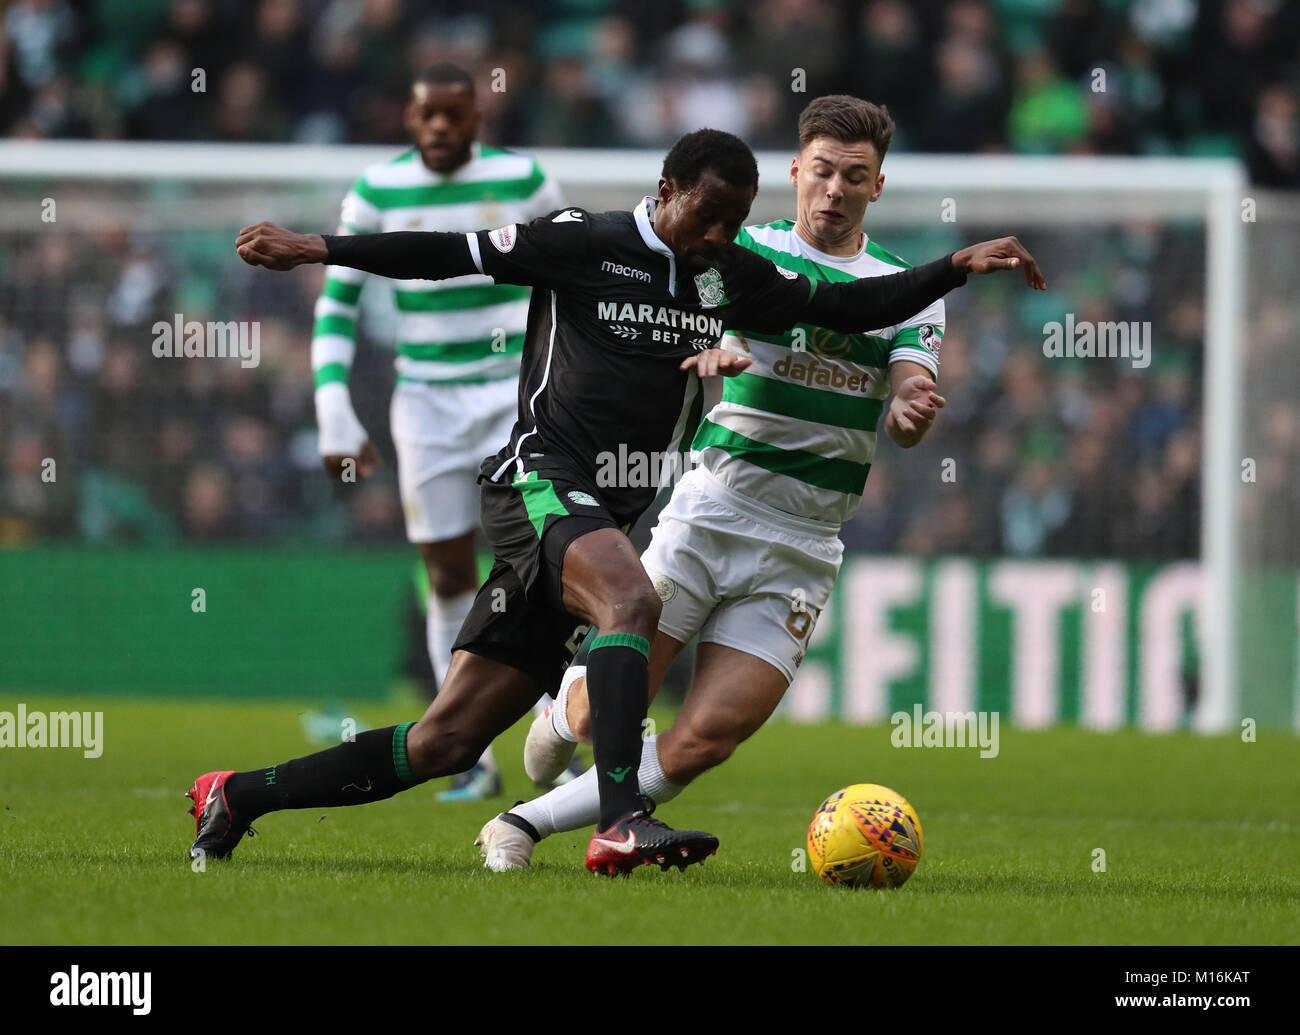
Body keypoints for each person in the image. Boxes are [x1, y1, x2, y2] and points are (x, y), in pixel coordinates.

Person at [188, 127, 1044, 876]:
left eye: (734, 222)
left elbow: (853, 302)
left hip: (600, 517)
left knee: (444, 741)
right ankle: (622, 820)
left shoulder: (726, 274)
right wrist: (320, 248)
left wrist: (956, 267)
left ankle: (236, 794)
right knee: (632, 596)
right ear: (665, 191)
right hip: (538, 476)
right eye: (705, 216)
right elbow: (450, 251)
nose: (718, 236)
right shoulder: (581, 241)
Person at [477, 95, 960, 870]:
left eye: (856, 176)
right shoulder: (743, 251)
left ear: (878, 186)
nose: (835, 189)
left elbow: (909, 389)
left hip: (804, 544)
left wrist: (909, 405)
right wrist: (719, 349)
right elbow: (713, 315)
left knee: (707, 738)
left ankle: (520, 823)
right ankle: (566, 707)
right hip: (711, 512)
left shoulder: (904, 287)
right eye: (824, 171)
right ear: (798, 172)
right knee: (605, 711)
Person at [310, 62, 568, 801]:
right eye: (428, 115)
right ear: (409, 116)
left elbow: (567, 275)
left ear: (477, 117)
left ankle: (557, 729)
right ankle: (470, 753)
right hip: (423, 401)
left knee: (544, 565)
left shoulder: (525, 180)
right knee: (449, 572)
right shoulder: (376, 191)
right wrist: (334, 407)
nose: (441, 129)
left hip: (514, 393)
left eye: (455, 115)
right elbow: (338, 304)